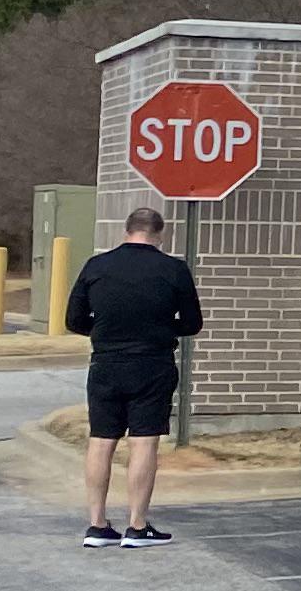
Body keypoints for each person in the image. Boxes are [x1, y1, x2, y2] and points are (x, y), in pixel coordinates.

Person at [67, 205, 203, 547]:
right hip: (152, 364)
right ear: (160, 234)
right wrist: (158, 327)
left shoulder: (97, 266)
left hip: (106, 364)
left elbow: (74, 319)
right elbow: (191, 323)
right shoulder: (173, 269)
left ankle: (97, 525)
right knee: (144, 441)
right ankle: (137, 526)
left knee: (101, 440)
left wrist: (105, 329)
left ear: (126, 231)